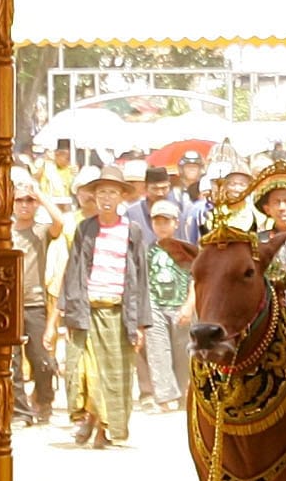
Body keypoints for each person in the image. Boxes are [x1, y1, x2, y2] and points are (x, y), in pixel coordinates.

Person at [58, 165, 151, 449]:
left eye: (112, 192)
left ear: (122, 196)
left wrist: (140, 324)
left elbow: (141, 278)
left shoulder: (132, 231)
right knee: (84, 371)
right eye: (101, 192)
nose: (106, 198)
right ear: (94, 197)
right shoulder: (85, 229)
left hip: (119, 314)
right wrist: (67, 312)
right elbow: (73, 270)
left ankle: (102, 427)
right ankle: (89, 418)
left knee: (113, 373)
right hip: (87, 312)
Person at [144, 202, 191, 411]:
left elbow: (196, 280)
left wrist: (189, 306)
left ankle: (186, 393)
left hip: (180, 304)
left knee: (184, 351)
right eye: (157, 222)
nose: (162, 226)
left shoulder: (187, 251)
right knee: (158, 350)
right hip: (155, 305)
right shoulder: (148, 250)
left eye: (166, 221)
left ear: (176, 223)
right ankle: (164, 396)